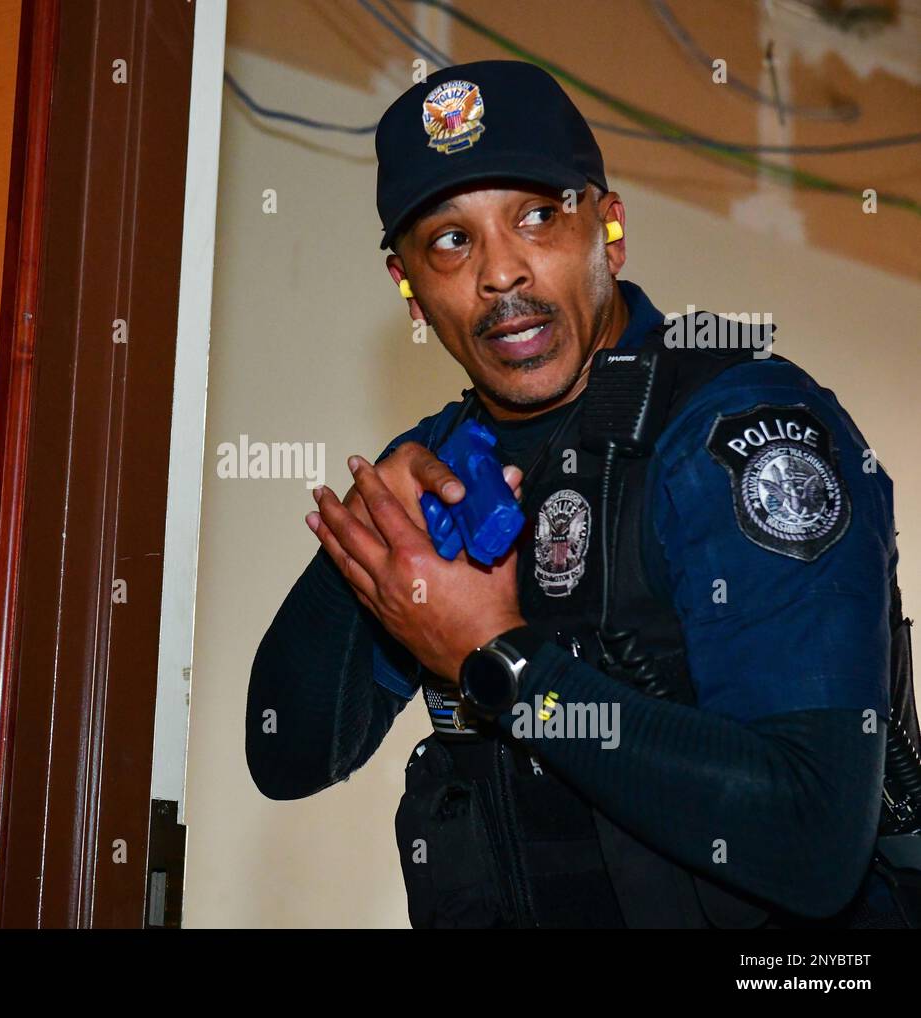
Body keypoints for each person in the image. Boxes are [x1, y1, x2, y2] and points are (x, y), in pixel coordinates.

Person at [244, 60, 918, 928]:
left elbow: (812, 837)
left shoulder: (739, 430)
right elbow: (285, 753)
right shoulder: (439, 469)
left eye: (537, 216)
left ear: (609, 228)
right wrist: (373, 527)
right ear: (405, 285)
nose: (501, 273)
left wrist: (503, 661)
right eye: (450, 241)